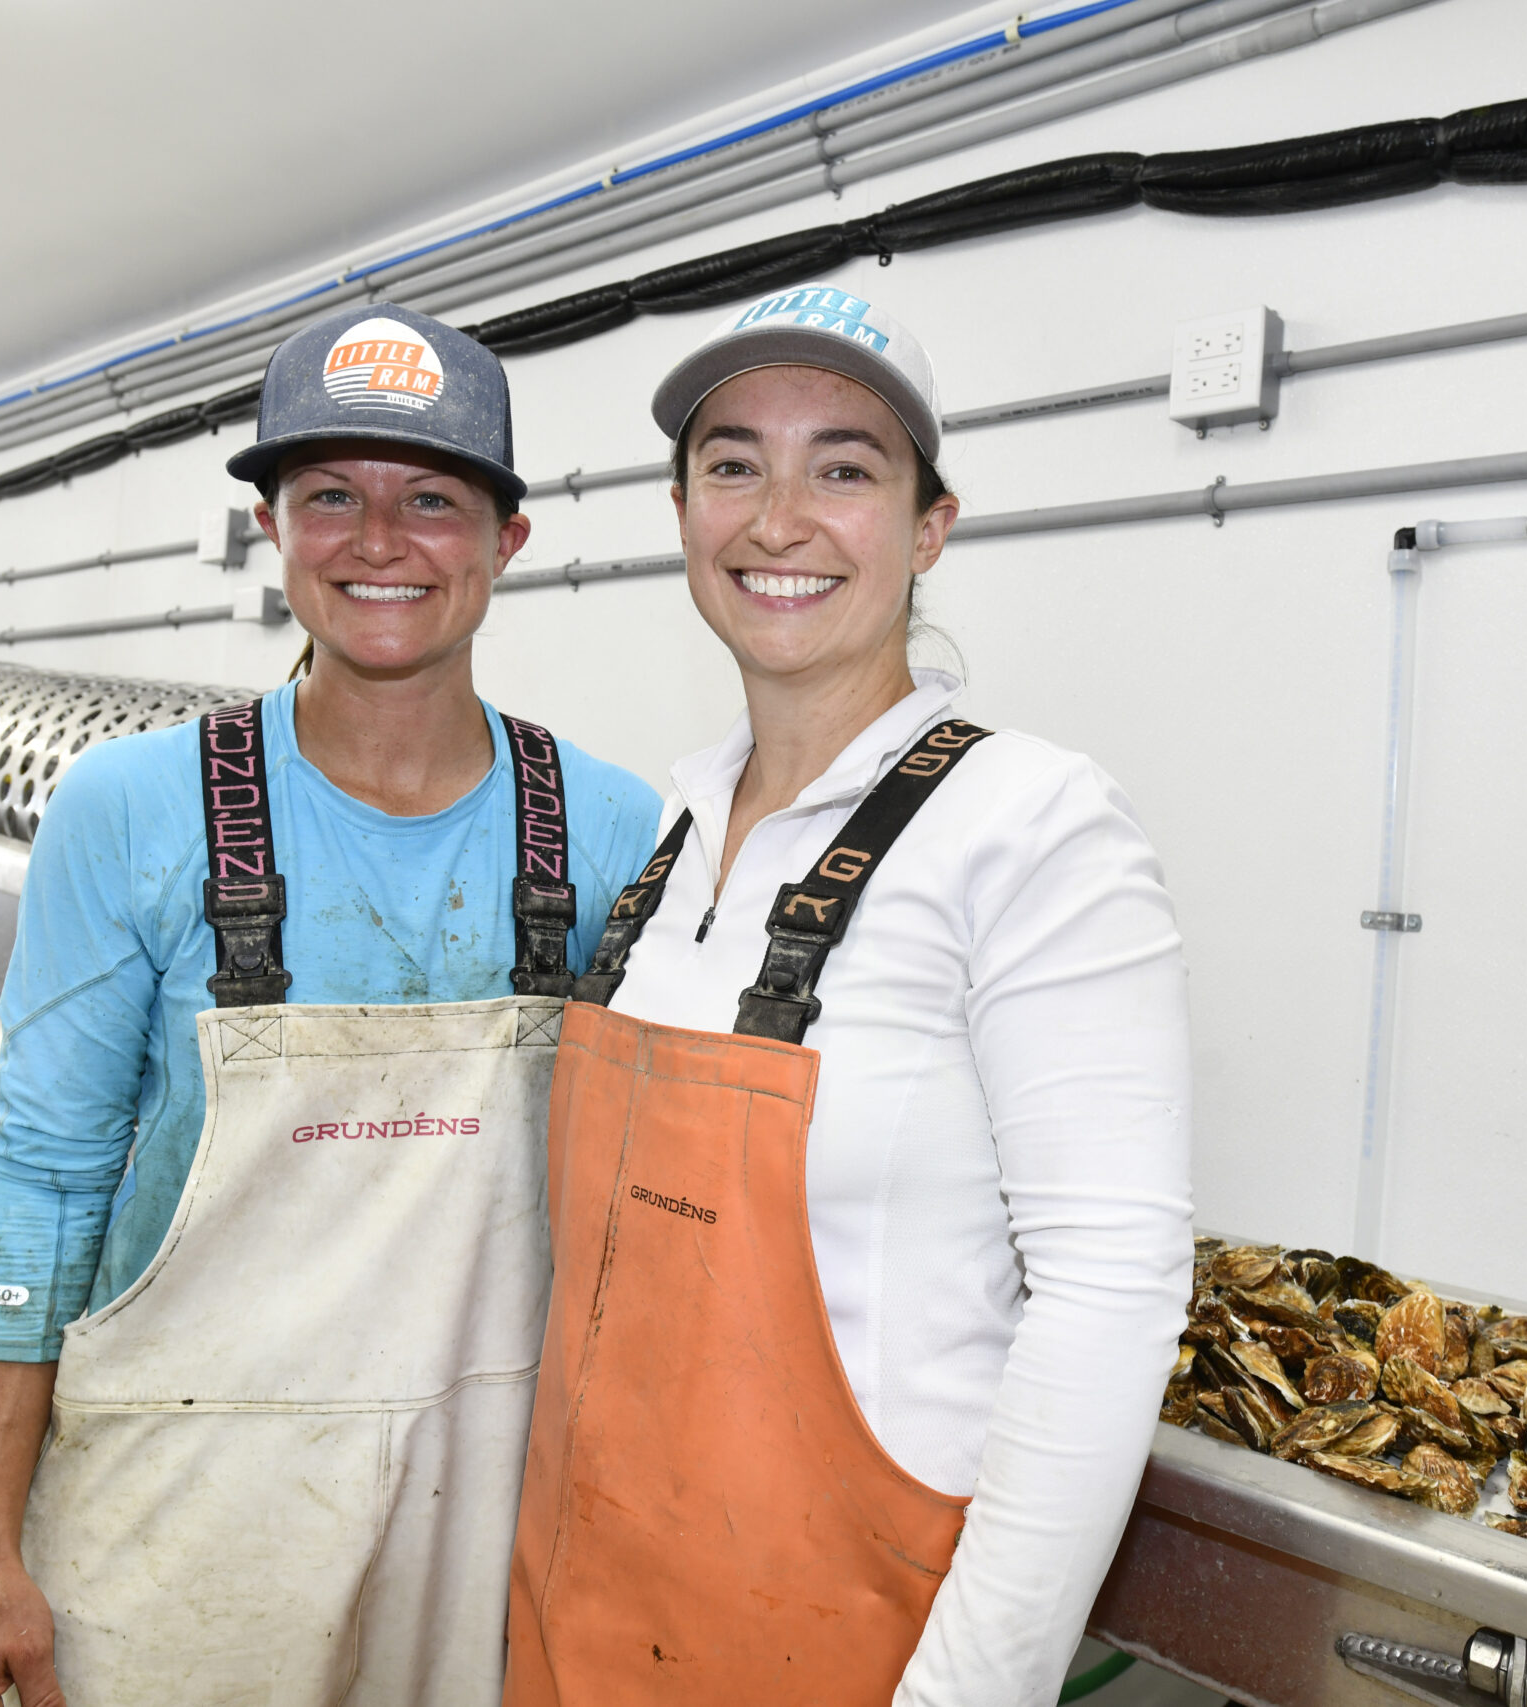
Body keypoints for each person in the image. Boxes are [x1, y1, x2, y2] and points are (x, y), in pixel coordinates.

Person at [0, 302, 663, 1707]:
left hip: (486, 1488)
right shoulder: (132, 809)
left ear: (508, 539)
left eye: (431, 500)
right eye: (329, 494)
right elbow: (44, 1181)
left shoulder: (614, 828)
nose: (377, 541)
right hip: (181, 1490)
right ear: (274, 525)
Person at [502, 288, 1194, 1706]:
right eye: (734, 462)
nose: (778, 517)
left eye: (846, 467)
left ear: (930, 524)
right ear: (685, 509)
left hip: (845, 1642)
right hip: (583, 1621)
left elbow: (1109, 1298)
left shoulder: (1032, 826)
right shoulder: (671, 838)